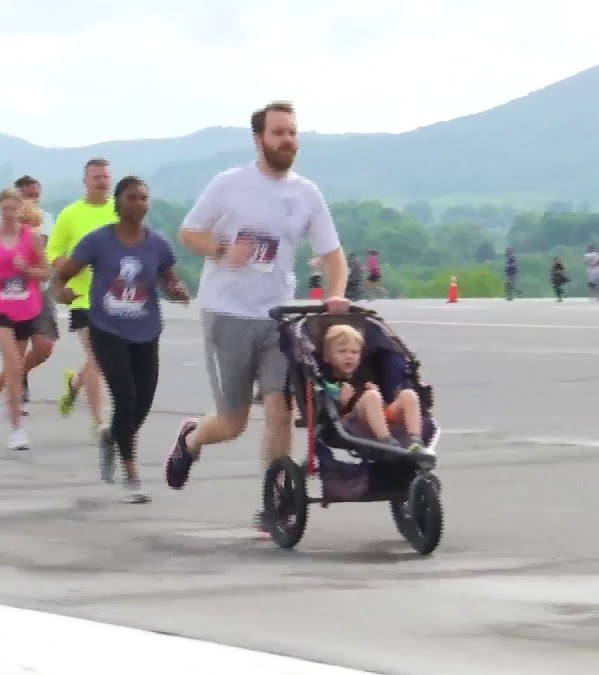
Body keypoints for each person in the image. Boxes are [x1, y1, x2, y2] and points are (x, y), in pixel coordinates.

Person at [164, 100, 350, 533]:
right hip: (227, 313)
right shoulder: (230, 184)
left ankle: (275, 501)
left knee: (280, 408)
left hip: (277, 317)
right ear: (258, 139)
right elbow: (189, 232)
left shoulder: (307, 193)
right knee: (232, 423)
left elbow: (333, 254)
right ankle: (191, 438)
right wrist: (223, 251)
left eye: (292, 132)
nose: (287, 140)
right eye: (278, 132)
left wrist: (336, 295)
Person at [54, 176, 191, 503]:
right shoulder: (98, 241)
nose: (139, 203)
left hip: (146, 330)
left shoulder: (157, 244)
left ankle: (112, 438)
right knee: (125, 397)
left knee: (143, 400)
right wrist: (60, 292)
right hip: (106, 327)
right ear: (118, 202)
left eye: (144, 198)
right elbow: (61, 275)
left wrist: (176, 291)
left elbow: (170, 280)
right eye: (132, 197)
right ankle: (132, 472)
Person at [0, 188, 50, 450]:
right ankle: (17, 430)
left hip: (26, 308)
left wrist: (27, 269)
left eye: (13, 208)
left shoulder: (31, 238)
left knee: (11, 368)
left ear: (20, 210)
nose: (8, 213)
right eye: (4, 208)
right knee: (15, 366)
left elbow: (46, 272)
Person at [47, 158, 118, 438]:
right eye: (97, 177)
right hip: (82, 297)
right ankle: (99, 423)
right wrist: (72, 265)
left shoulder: (120, 211)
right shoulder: (70, 214)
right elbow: (52, 251)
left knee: (105, 358)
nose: (103, 181)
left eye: (106, 177)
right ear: (85, 181)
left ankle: (75, 384)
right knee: (98, 359)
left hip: (116, 298)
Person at [0, 175, 59, 413]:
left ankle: (13, 376)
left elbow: (46, 249)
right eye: (28, 195)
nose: (33, 199)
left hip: (39, 291)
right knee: (16, 347)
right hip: (12, 293)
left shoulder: (46, 220)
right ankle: (16, 389)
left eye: (36, 195)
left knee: (44, 346)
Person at [320, 324, 431, 456]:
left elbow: (382, 400)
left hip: (380, 414)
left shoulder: (366, 373)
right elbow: (326, 412)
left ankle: (415, 440)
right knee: (371, 396)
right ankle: (386, 441)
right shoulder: (328, 381)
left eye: (354, 352)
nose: (349, 356)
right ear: (327, 357)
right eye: (342, 351)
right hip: (352, 421)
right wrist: (341, 401)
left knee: (408, 394)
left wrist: (376, 392)